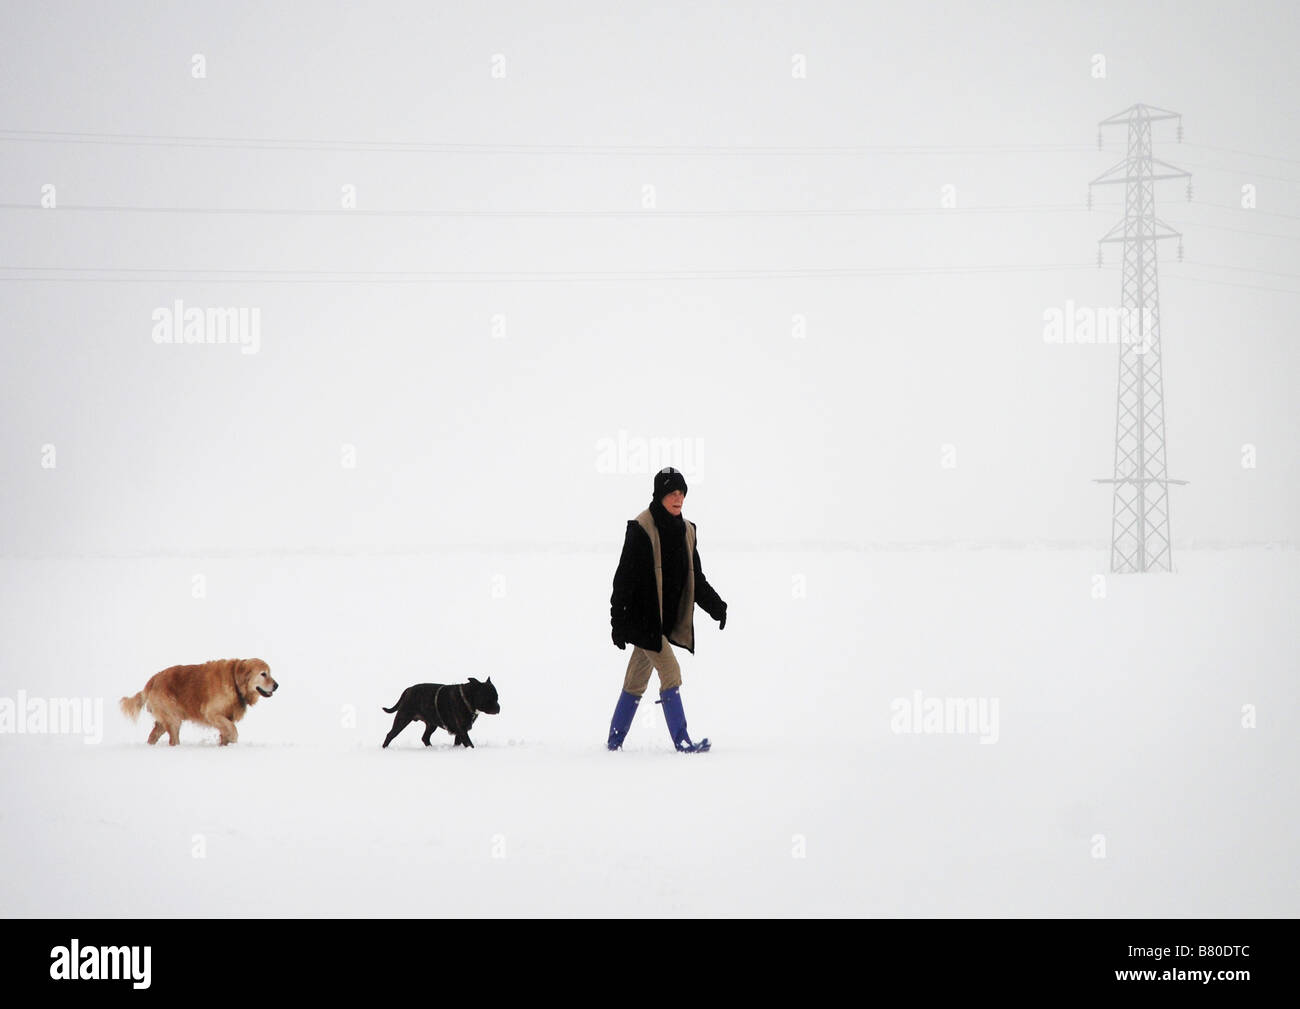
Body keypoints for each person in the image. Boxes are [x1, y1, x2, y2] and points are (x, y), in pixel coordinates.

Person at [607, 466, 727, 752]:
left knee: (636, 681)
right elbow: (623, 578)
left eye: (682, 492)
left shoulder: (687, 531)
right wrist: (618, 622)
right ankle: (682, 740)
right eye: (672, 492)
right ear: (660, 496)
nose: (678, 498)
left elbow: (695, 578)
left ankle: (614, 741)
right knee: (671, 671)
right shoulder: (641, 528)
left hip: (661, 623)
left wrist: (716, 606)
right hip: (643, 620)